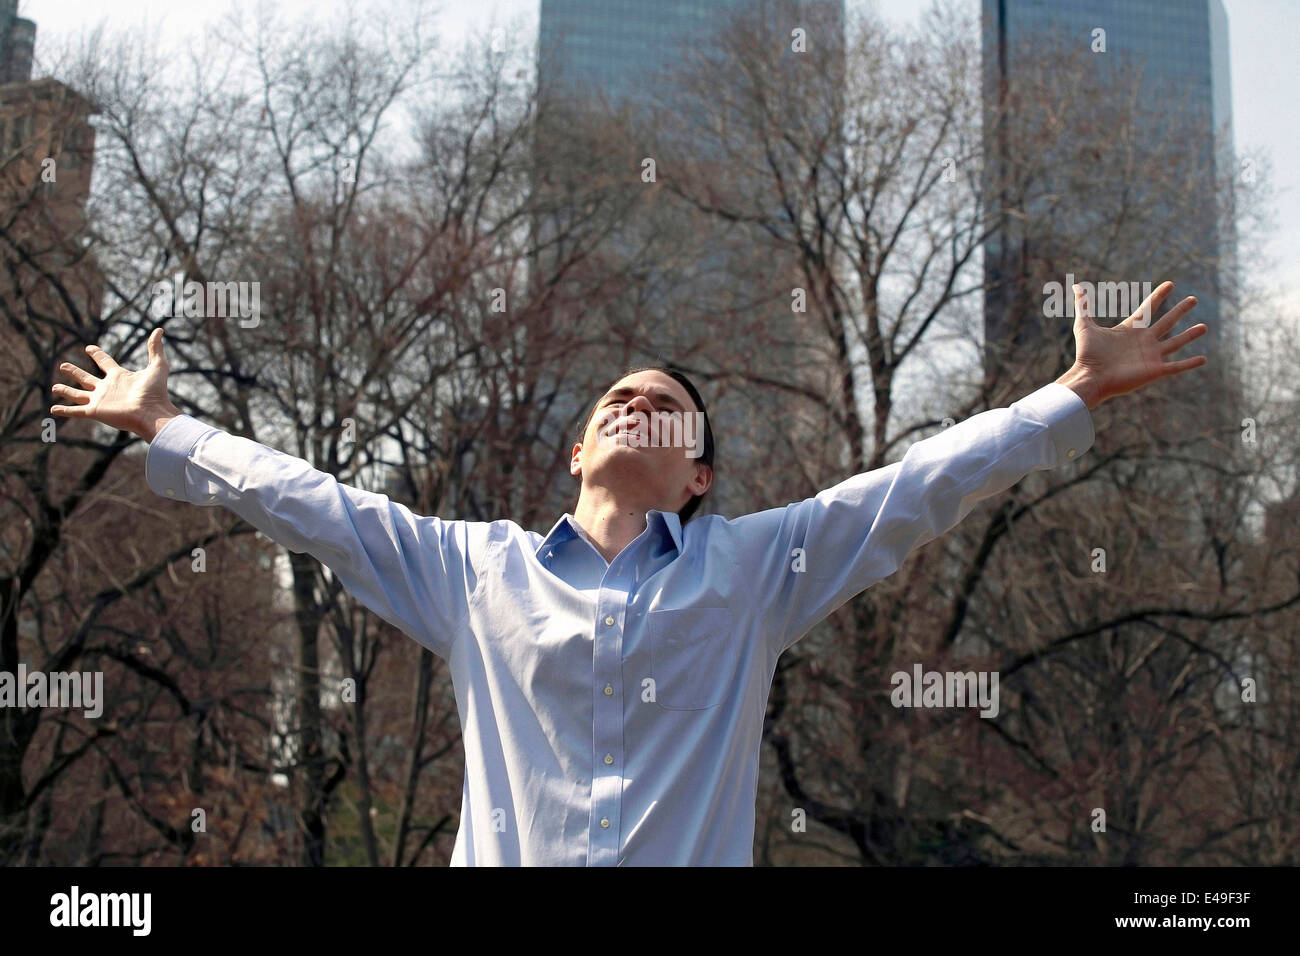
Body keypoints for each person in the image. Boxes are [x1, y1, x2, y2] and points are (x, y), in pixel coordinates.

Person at [49, 282, 1207, 865]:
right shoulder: (472, 569)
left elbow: (912, 489)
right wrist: (167, 427)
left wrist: (1069, 395)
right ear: (576, 450)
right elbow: (310, 502)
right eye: (615, 397)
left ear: (696, 473)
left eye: (663, 405)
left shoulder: (754, 568)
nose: (631, 404)